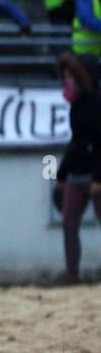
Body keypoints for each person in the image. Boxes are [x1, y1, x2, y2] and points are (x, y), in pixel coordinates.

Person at [55, 51, 101, 284]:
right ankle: (71, 274)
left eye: (71, 76)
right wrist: (62, 174)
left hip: (95, 176)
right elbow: (76, 141)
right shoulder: (77, 106)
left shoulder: (97, 103)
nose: (67, 81)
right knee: (69, 223)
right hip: (77, 173)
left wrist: (98, 178)